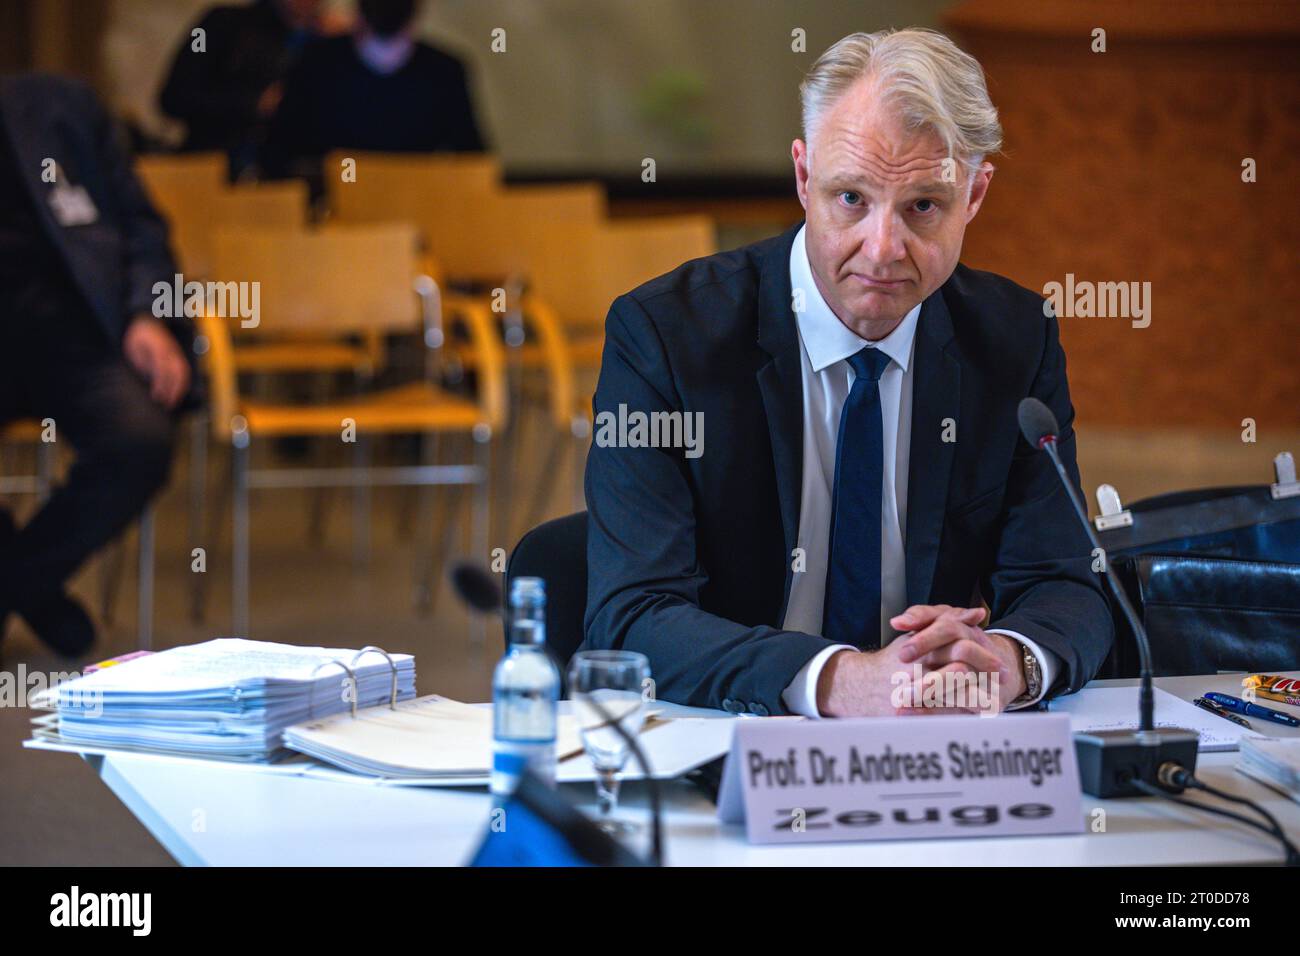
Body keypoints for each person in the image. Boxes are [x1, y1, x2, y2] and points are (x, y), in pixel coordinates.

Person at [582, 29, 1113, 718]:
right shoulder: (665, 338)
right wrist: (839, 679)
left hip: (934, 748)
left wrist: (1007, 662)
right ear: (804, 178)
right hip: (732, 734)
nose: (884, 249)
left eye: (923, 205)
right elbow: (631, 614)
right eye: (851, 199)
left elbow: (1067, 583)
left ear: (975, 194)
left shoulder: (1014, 339)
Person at [0, 73, 195, 657]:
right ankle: (32, 592)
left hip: (70, 327)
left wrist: (146, 315)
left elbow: (141, 225)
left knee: (139, 441)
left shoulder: (59, 105)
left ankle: (15, 580)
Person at [261, 0, 485, 183]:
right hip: (331, 219)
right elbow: (277, 156)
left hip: (417, 213)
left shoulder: (444, 72)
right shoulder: (315, 63)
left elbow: (473, 163)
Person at [159, 0, 325, 179]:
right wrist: (255, 102)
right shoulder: (221, 23)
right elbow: (175, 97)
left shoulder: (326, 41)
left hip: (289, 173)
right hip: (215, 167)